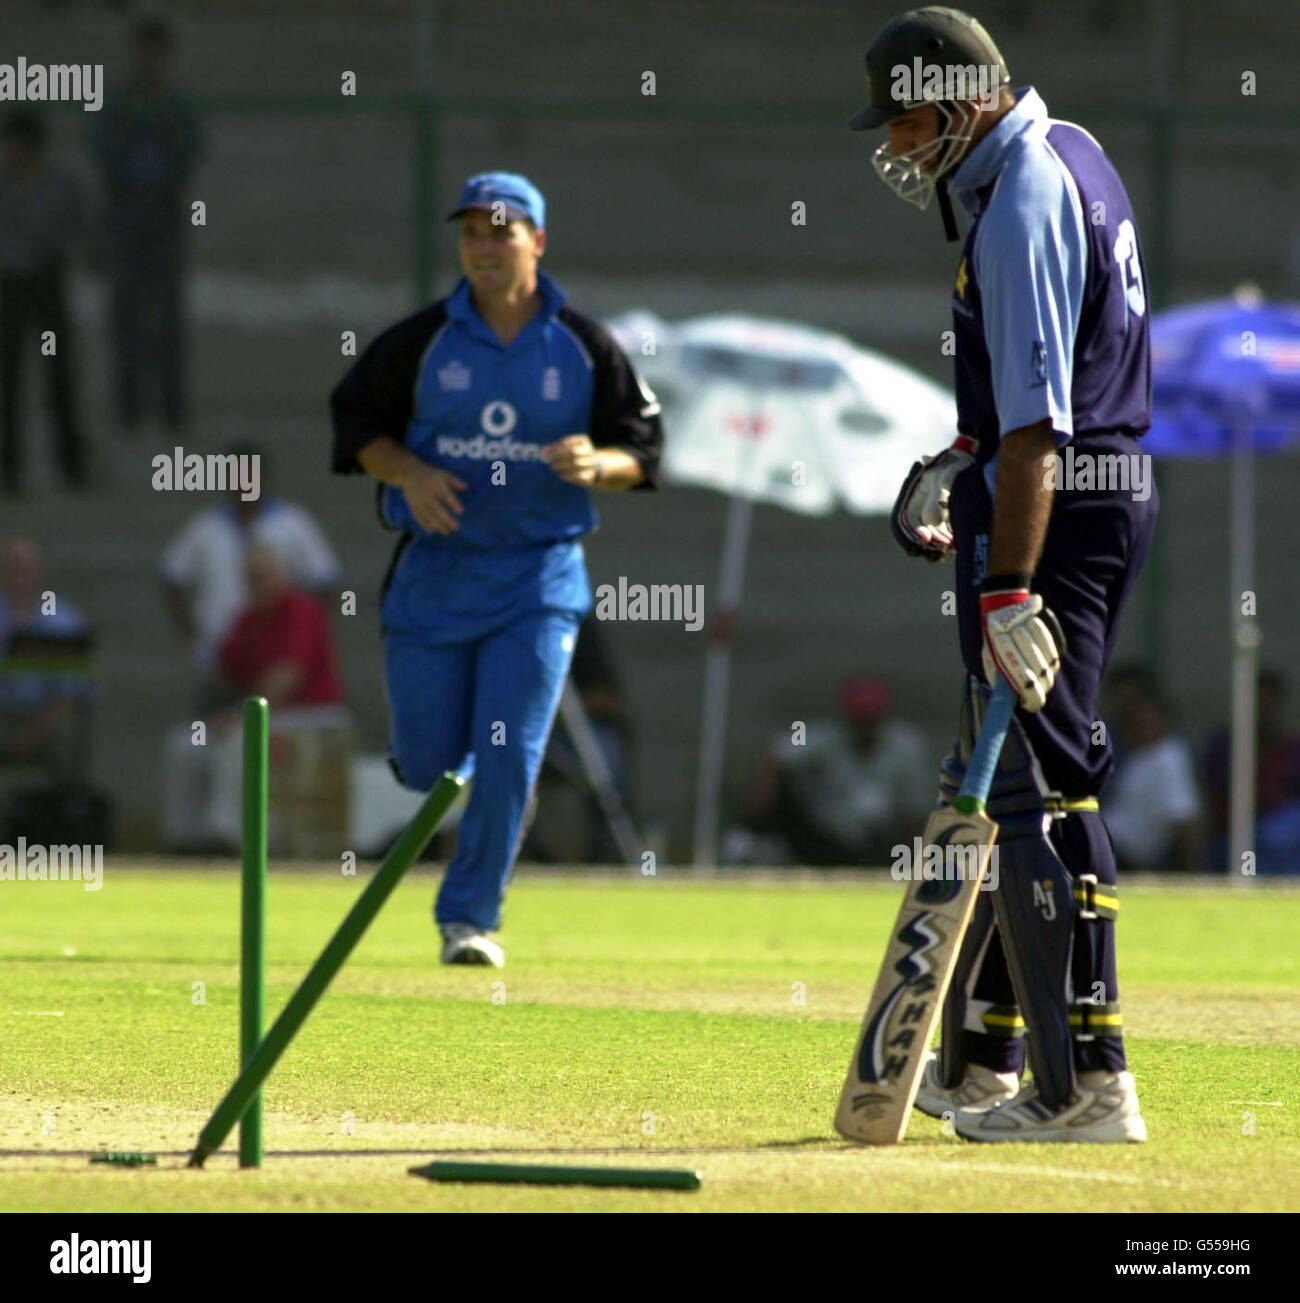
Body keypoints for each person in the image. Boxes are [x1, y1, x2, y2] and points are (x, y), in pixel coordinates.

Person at [854, 7, 1157, 1141]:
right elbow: (1032, 406)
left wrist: (1006, 585)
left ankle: (1085, 1082)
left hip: (1060, 508)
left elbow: (1040, 427)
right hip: (1073, 489)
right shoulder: (1067, 147)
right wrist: (958, 462)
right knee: (993, 774)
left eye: (906, 111)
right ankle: (984, 1061)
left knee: (1040, 781)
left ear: (961, 97)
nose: (894, 139)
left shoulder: (1023, 192)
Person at [330, 171, 662, 966]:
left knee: (511, 752)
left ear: (537, 242)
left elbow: (644, 450)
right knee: (429, 768)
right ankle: (438, 754)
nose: (483, 245)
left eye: (501, 231)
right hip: (436, 578)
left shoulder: (583, 343)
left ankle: (468, 919)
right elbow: (355, 424)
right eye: (471, 231)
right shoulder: (421, 341)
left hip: (537, 583)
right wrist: (408, 473)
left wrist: (599, 462)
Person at [87, 16, 202, 435]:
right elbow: (101, 146)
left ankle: (170, 405)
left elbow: (191, 148)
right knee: (127, 311)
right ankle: (129, 404)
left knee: (167, 310)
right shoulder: (118, 102)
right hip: (124, 209)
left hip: (164, 210)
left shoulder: (175, 103)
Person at [159, 445, 341, 683]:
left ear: (264, 478)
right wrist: (193, 640)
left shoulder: (293, 523)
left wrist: (306, 638)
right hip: (221, 652)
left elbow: (324, 579)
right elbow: (171, 575)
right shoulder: (206, 526)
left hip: (278, 652)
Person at [728, 676, 931, 866]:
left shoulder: (906, 745)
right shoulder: (825, 738)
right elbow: (778, 753)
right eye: (859, 720)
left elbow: (912, 811)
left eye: (870, 720)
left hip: (879, 838)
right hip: (827, 835)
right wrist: (763, 798)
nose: (864, 728)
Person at [0, 111, 87, 493]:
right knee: (8, 379)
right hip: (9, 290)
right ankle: (9, 466)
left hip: (45, 288)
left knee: (57, 374)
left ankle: (70, 462)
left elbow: (75, 229)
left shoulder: (58, 185)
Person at [1101, 666, 1201, 870]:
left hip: (1124, 857)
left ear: (1163, 716)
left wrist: (1192, 873)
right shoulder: (1141, 754)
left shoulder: (1170, 758)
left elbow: (1182, 820)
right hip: (1105, 844)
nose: (1137, 722)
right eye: (1134, 717)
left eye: (1144, 715)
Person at [1204, 668, 1300, 875]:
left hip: (1281, 829)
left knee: (1284, 833)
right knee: (1253, 855)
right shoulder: (1224, 745)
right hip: (1239, 829)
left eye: (1268, 703)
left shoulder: (1291, 746)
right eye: (1258, 702)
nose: (1263, 709)